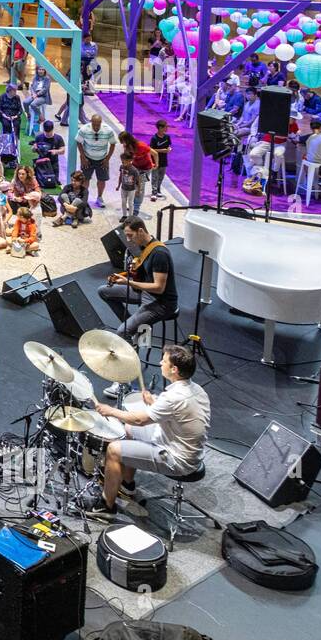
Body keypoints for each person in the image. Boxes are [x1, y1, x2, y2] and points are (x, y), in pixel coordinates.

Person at [79, 346, 210, 517]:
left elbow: (140, 420)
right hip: (184, 446)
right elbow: (176, 413)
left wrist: (110, 411)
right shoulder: (197, 390)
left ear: (174, 369)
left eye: (164, 361)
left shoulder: (173, 397)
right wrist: (153, 402)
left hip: (178, 459)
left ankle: (105, 507)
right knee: (128, 429)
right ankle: (127, 483)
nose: (160, 362)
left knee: (113, 449)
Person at [98, 217, 177, 396]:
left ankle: (123, 383)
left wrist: (129, 283)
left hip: (162, 303)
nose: (128, 240)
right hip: (147, 294)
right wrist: (124, 278)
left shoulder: (159, 254)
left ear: (141, 231)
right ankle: (134, 329)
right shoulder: (144, 248)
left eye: (130, 235)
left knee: (121, 332)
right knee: (104, 291)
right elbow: (143, 277)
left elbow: (159, 287)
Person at [76, 113, 116, 207]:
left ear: (101, 123)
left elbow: (113, 144)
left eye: (98, 125)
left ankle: (99, 197)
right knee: (85, 179)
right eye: (94, 125)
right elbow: (78, 142)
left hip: (102, 159)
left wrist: (107, 159)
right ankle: (84, 197)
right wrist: (83, 157)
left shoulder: (108, 130)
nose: (96, 127)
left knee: (102, 179)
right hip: (88, 158)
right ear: (91, 122)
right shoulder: (84, 129)